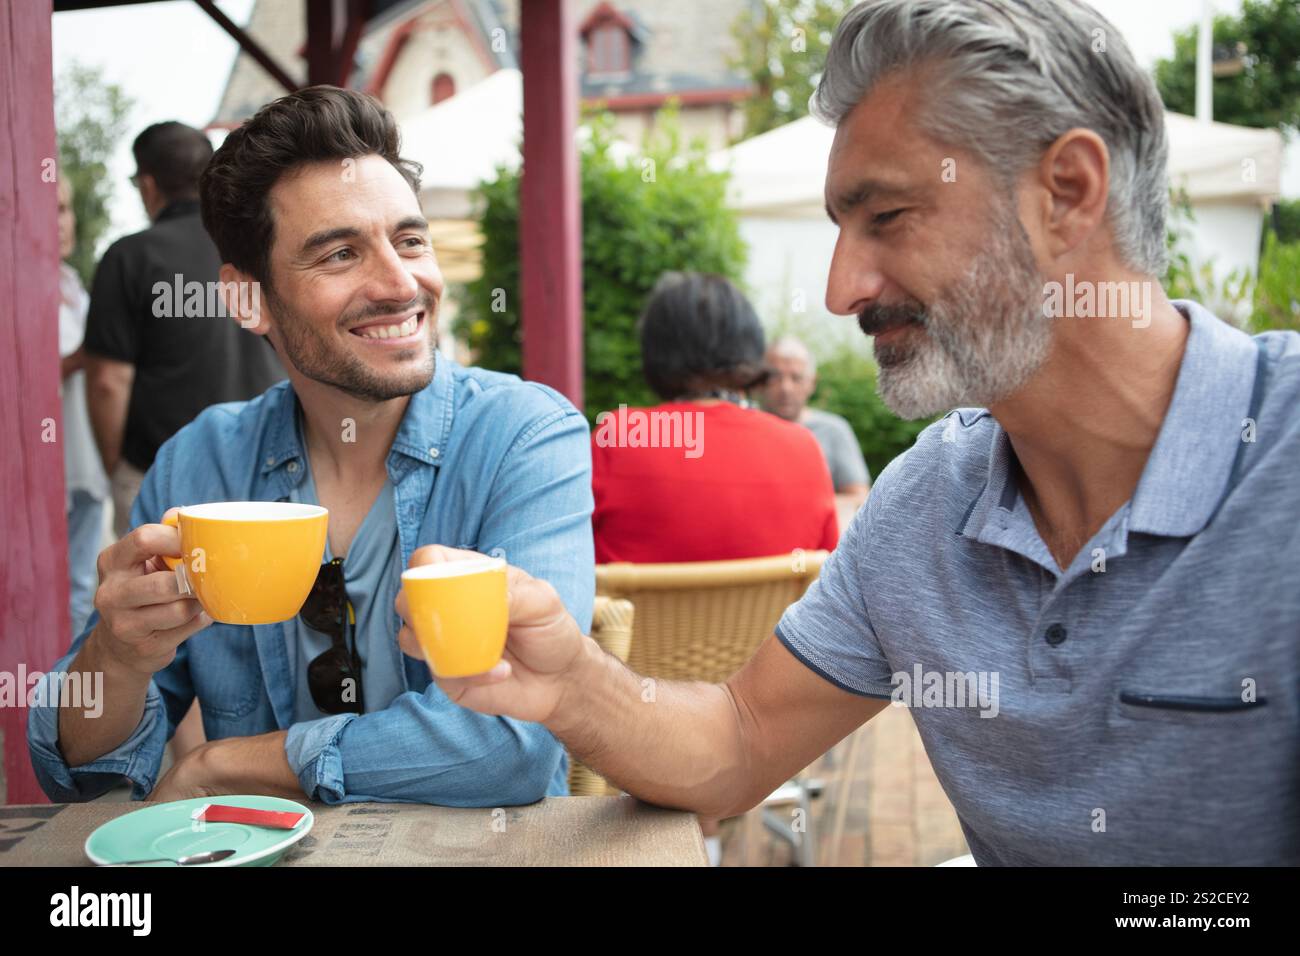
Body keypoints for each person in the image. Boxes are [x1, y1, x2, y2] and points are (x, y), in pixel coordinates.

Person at [396, 0, 1299, 865]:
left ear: (1067, 193)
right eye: (840, 228)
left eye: (888, 218)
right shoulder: (925, 501)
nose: (842, 290)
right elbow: (743, 740)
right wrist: (571, 688)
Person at [28, 86, 594, 807]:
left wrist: (230, 765)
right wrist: (117, 653)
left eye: (410, 240)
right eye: (340, 254)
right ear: (247, 300)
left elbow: (509, 747)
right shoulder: (199, 464)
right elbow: (77, 771)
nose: (400, 284)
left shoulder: (523, 436)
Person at [82, 121, 286, 540]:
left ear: (147, 184)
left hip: (165, 480)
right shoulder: (257, 247)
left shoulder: (128, 256)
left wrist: (115, 466)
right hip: (275, 463)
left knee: (165, 602)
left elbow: (107, 381)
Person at [591, 272, 838, 565]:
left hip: (642, 614)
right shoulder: (804, 448)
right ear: (751, 346)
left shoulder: (620, 438)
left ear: (656, 349)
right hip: (778, 614)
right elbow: (827, 580)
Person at [56, 175, 109, 637]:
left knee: (78, 585)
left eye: (65, 209)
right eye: (50, 211)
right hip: (43, 465)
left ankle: (55, 699)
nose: (60, 223)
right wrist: (84, 356)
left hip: (84, 459)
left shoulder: (72, 283)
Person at [761, 335, 872, 510]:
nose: (785, 388)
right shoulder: (745, 432)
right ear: (760, 382)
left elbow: (859, 497)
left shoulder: (833, 430)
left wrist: (804, 509)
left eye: (796, 378)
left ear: (812, 383)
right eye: (775, 378)